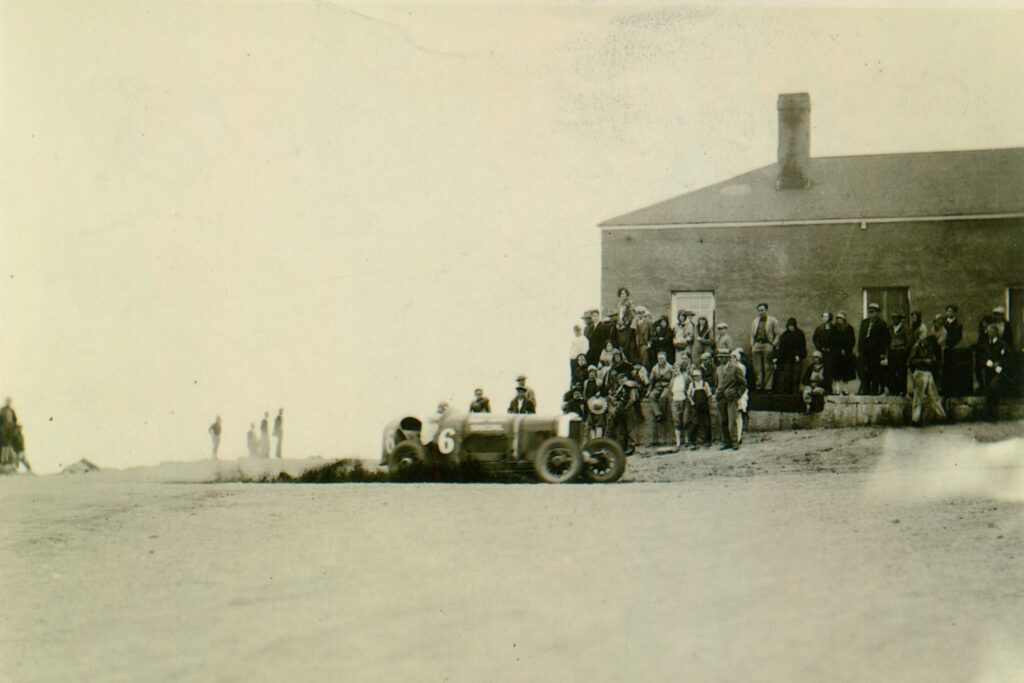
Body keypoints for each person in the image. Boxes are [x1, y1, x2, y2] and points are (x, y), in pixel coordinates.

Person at [908, 332, 947, 426]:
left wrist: (931, 362)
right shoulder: (916, 347)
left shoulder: (928, 347)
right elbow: (912, 361)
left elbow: (933, 358)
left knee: (934, 395)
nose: (924, 338)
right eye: (922, 335)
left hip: (927, 372)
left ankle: (942, 416)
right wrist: (924, 361)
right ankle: (915, 419)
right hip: (920, 372)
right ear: (919, 337)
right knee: (918, 397)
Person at [858, 303, 891, 395]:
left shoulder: (881, 324)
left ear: (877, 313)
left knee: (875, 371)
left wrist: (883, 352)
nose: (871, 314)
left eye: (873, 312)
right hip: (865, 352)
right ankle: (865, 390)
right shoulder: (864, 322)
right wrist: (860, 350)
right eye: (869, 312)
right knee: (864, 371)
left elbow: (886, 339)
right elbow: (861, 337)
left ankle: (874, 390)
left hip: (875, 352)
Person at [979, 322, 1010, 420]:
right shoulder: (985, 344)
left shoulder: (1002, 344)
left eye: (991, 331)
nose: (989, 333)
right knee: (989, 389)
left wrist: (999, 364)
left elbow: (1006, 357)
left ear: (996, 332)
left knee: (993, 387)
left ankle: (992, 412)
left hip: (998, 371)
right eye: (988, 331)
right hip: (988, 371)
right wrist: (986, 362)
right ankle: (990, 413)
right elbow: (981, 357)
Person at [714, 352, 745, 450]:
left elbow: (743, 384)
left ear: (727, 358)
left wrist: (737, 394)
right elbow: (716, 383)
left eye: (722, 357)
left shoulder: (735, 368)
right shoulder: (718, 369)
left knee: (732, 420)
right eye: (719, 357)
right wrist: (717, 393)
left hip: (731, 398)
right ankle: (726, 442)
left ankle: (735, 442)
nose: (720, 359)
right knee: (723, 421)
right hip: (721, 398)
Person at [749, 303, 781, 392]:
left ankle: (768, 387)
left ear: (766, 310)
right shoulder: (755, 321)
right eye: (759, 310)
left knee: (768, 367)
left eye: (762, 310)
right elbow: (752, 335)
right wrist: (753, 345)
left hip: (767, 344)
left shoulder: (772, 321)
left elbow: (777, 334)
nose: (760, 312)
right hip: (757, 345)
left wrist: (773, 344)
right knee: (757, 367)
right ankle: (759, 386)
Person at [607, 369, 639, 454]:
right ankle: (623, 448)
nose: (621, 380)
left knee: (630, 429)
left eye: (622, 378)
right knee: (622, 430)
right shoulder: (619, 388)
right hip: (621, 410)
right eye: (619, 379)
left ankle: (631, 447)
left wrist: (626, 407)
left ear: (626, 378)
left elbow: (633, 399)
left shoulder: (630, 385)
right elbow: (615, 397)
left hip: (629, 409)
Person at [774, 317, 807, 394]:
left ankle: (795, 391)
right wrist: (778, 358)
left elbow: (802, 346)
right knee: (787, 374)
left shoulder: (800, 334)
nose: (790, 328)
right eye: (789, 326)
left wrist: (799, 355)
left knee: (796, 374)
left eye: (792, 326)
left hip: (796, 358)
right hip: (787, 358)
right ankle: (787, 390)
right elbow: (782, 348)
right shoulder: (785, 335)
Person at [0, 398, 31, 473]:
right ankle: (4, 462)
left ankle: (6, 462)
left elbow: (14, 419)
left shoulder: (11, 411)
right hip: (7, 440)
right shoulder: (3, 411)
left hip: (15, 449)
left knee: (15, 453)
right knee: (6, 448)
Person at [685, 368, 713, 449]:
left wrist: (709, 404)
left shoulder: (705, 384)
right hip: (695, 406)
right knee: (694, 422)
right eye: (694, 376)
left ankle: (708, 441)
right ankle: (692, 441)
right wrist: (692, 403)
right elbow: (688, 394)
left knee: (706, 423)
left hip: (704, 406)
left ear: (700, 376)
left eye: (697, 376)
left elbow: (709, 395)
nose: (695, 378)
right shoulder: (692, 385)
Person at [887, 312, 913, 396]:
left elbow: (909, 341)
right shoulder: (890, 328)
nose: (894, 320)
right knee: (891, 371)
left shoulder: (905, 329)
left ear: (900, 319)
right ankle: (894, 390)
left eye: (896, 318)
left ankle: (902, 390)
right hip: (892, 352)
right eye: (893, 318)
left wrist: (904, 351)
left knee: (901, 372)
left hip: (900, 352)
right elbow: (887, 339)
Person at [831, 312, 857, 395]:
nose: (839, 320)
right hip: (837, 354)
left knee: (846, 373)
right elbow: (832, 340)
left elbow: (852, 340)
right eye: (838, 318)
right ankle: (838, 389)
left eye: (841, 318)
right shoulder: (834, 328)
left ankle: (845, 389)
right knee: (837, 373)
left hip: (846, 354)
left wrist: (846, 349)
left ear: (844, 319)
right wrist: (838, 349)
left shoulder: (849, 328)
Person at [647, 351, 675, 423]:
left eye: (662, 358)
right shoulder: (654, 368)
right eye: (659, 359)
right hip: (658, 386)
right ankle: (658, 414)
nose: (660, 360)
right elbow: (651, 380)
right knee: (651, 396)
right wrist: (649, 390)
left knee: (663, 397)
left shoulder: (670, 367)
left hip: (667, 386)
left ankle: (663, 415)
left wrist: (671, 387)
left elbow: (673, 378)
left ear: (665, 359)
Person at [670, 361, 690, 450]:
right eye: (674, 369)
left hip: (684, 400)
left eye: (677, 368)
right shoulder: (673, 379)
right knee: (676, 420)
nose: (675, 370)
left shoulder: (685, 377)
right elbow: (670, 390)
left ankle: (687, 440)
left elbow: (691, 386)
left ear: (680, 369)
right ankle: (678, 442)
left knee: (685, 420)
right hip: (675, 401)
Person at [615, 288, 636, 362]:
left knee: (626, 345)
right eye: (621, 294)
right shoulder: (619, 305)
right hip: (620, 327)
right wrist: (617, 324)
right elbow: (618, 316)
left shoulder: (629, 303)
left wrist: (625, 325)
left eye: (624, 294)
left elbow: (631, 316)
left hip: (627, 327)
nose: (622, 295)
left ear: (627, 295)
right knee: (620, 345)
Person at [813, 312, 835, 380]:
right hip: (822, 352)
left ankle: (830, 387)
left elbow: (837, 339)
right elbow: (814, 339)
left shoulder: (834, 328)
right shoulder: (819, 328)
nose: (824, 318)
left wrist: (832, 348)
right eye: (823, 317)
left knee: (830, 370)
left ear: (830, 318)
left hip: (831, 353)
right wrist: (820, 347)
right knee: (823, 370)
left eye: (826, 317)